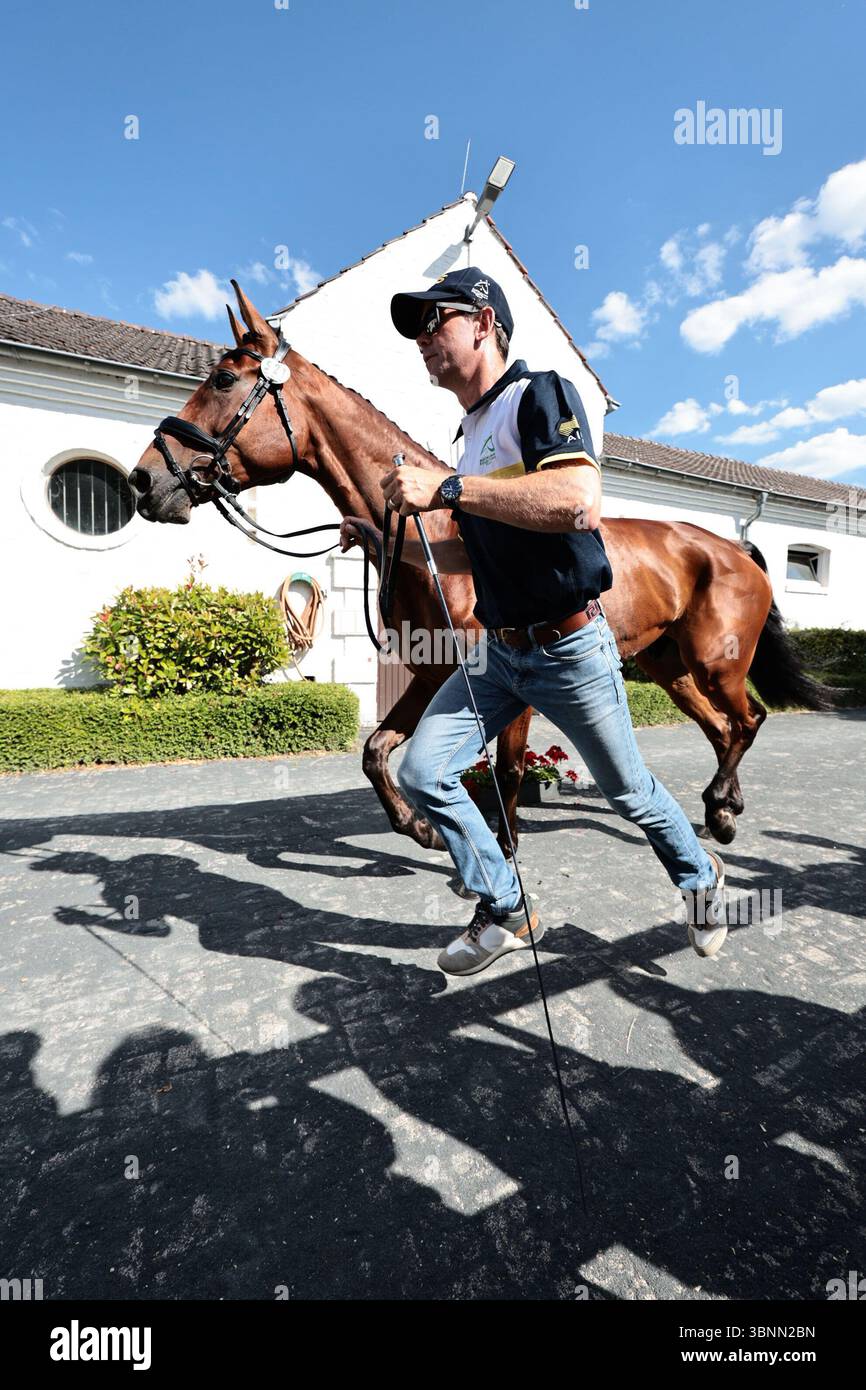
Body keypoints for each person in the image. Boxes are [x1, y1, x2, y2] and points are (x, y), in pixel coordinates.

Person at [340, 267, 726, 977]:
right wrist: (382, 539)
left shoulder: (536, 394)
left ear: (483, 323)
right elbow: (473, 546)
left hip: (568, 647)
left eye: (437, 322)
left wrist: (447, 488)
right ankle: (507, 906)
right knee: (423, 770)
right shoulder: (471, 430)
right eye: (418, 329)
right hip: (498, 651)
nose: (423, 339)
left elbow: (579, 500)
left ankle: (703, 882)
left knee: (628, 793)